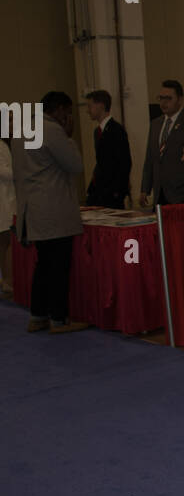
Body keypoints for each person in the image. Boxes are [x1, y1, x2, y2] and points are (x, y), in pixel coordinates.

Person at [9, 91, 88, 334]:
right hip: (54, 208)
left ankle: (38, 315)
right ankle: (59, 319)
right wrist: (69, 137)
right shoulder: (51, 129)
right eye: (69, 112)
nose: (69, 117)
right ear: (61, 110)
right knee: (58, 265)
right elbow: (75, 165)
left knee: (43, 264)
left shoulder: (23, 129)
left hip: (32, 208)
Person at [139, 80, 184, 206]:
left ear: (180, 99)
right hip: (159, 193)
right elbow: (150, 158)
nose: (163, 102)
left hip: (183, 193)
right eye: (161, 98)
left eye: (168, 98)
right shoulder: (155, 124)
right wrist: (145, 188)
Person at [85, 89, 132, 208]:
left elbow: (125, 162)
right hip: (99, 190)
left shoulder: (116, 130)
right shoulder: (97, 132)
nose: (87, 110)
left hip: (112, 192)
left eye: (90, 106)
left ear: (101, 106)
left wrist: (117, 191)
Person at [0, 133, 15, 297]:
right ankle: (9, 280)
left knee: (4, 243)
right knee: (8, 242)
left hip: (6, 199)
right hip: (5, 201)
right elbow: (4, 172)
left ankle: (6, 279)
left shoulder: (6, 145)